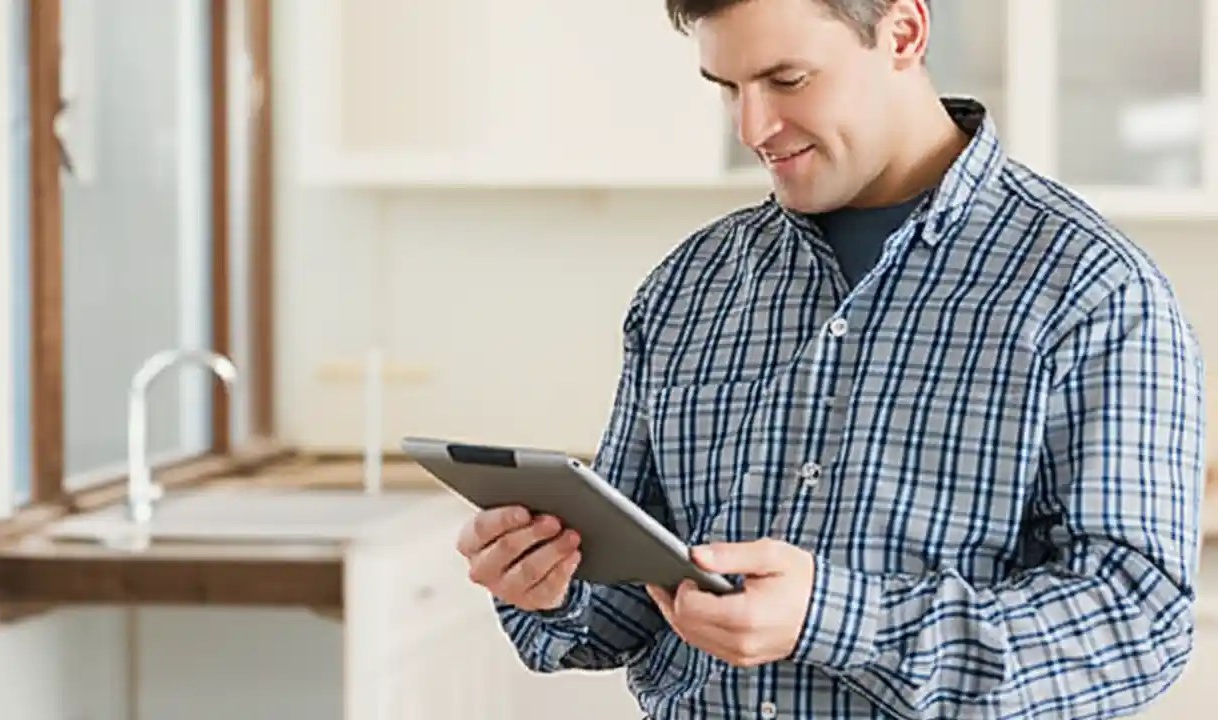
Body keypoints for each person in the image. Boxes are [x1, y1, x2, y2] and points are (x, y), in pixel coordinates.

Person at [453, 0, 1207, 717]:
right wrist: (549, 582)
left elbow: (1135, 626)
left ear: (904, 33)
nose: (753, 127)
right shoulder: (689, 288)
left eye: (787, 80)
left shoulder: (1093, 290)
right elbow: (626, 601)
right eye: (728, 87)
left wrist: (835, 618)